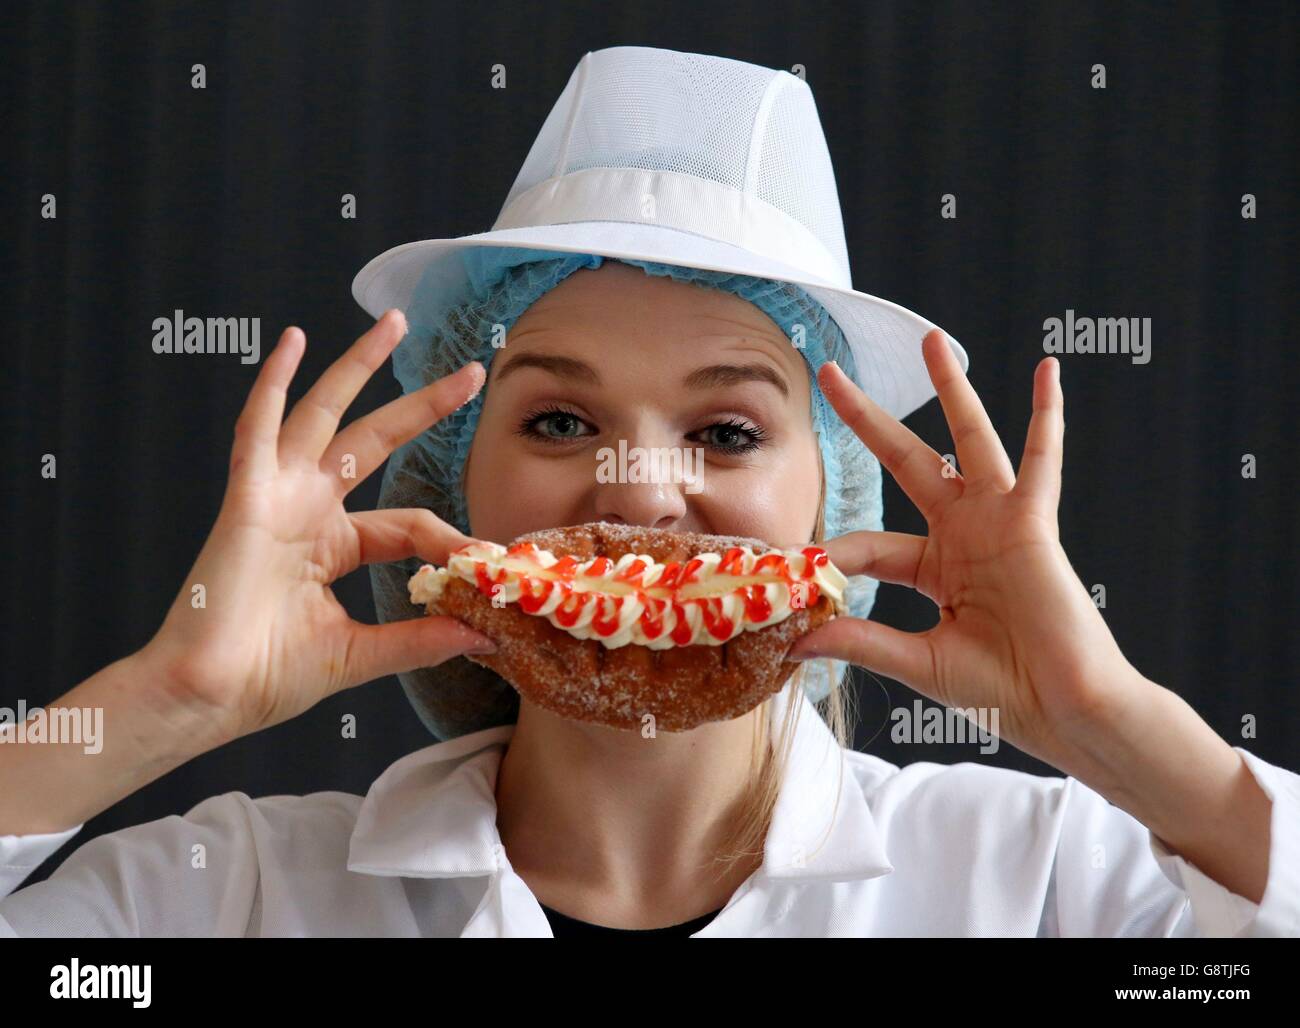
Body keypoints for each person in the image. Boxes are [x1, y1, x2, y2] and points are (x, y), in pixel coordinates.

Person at [2, 46, 1297, 938]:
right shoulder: (227, 897)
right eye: (561, 418)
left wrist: (1111, 723)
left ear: (834, 504)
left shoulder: (1047, 888)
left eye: (727, 430)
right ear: (453, 486)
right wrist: (169, 700)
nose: (643, 488)